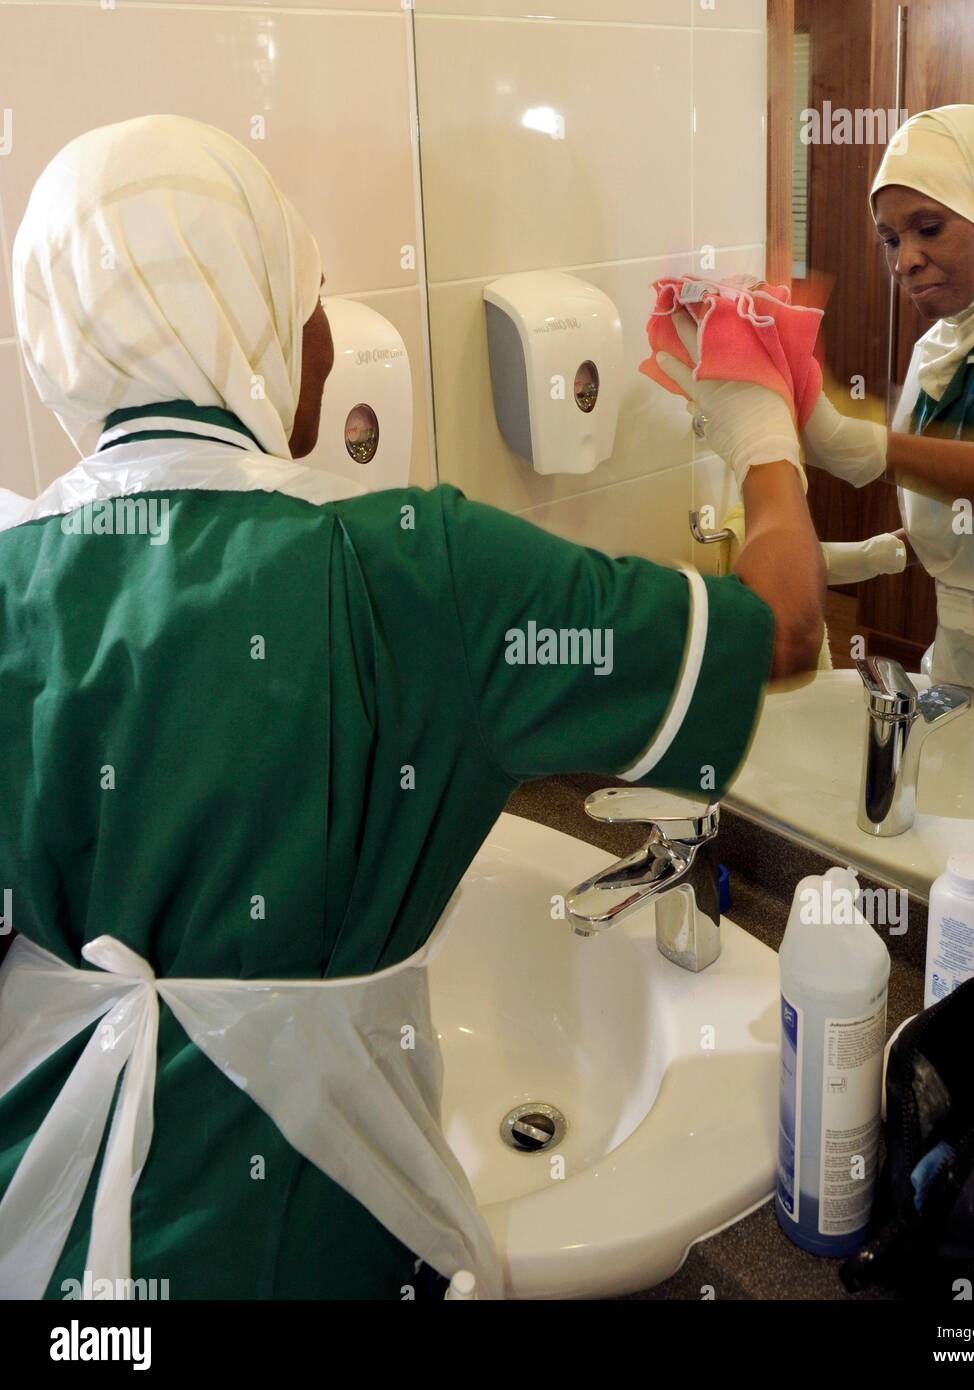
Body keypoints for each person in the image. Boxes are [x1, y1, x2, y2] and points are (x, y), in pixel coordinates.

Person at [0, 115, 823, 1299]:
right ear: (256, 320)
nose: (326, 335)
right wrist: (757, 424)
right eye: (308, 294)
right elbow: (781, 628)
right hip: (309, 1246)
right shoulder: (423, 569)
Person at [798, 104, 974, 710]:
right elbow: (970, 502)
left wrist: (878, 450)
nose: (905, 261)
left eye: (928, 228)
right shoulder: (942, 346)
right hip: (962, 666)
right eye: (890, 240)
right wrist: (886, 551)